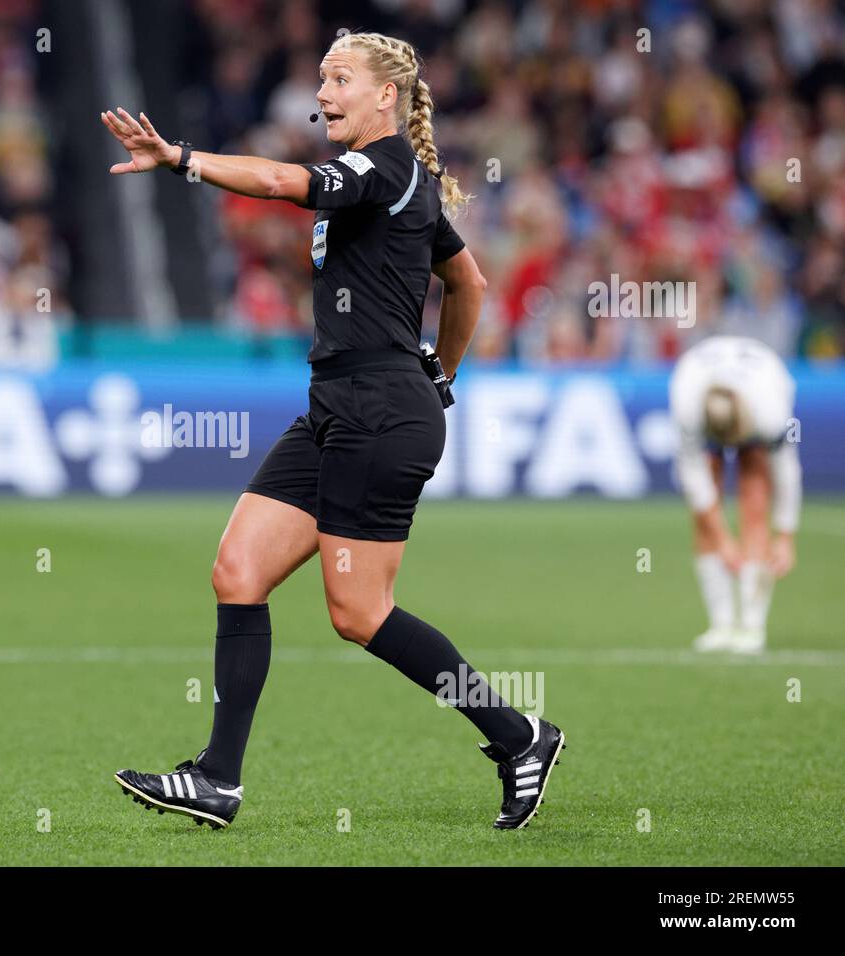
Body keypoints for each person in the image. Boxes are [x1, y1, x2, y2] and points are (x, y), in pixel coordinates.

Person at [102, 31, 565, 831]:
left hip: (380, 413)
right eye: (321, 77)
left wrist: (181, 159)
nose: (323, 92)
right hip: (337, 405)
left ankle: (519, 733)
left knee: (358, 612)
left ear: (386, 95)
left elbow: (283, 181)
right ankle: (218, 779)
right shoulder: (402, 184)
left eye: (339, 78)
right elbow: (468, 280)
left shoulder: (381, 166)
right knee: (238, 571)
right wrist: (443, 373)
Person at [669, 335, 801, 654]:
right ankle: (722, 624)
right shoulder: (687, 403)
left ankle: (752, 627)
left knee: (755, 502)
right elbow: (696, 483)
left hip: (761, 381)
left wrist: (785, 535)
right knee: (703, 521)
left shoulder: (770, 411)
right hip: (704, 382)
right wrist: (722, 538)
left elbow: (786, 472)